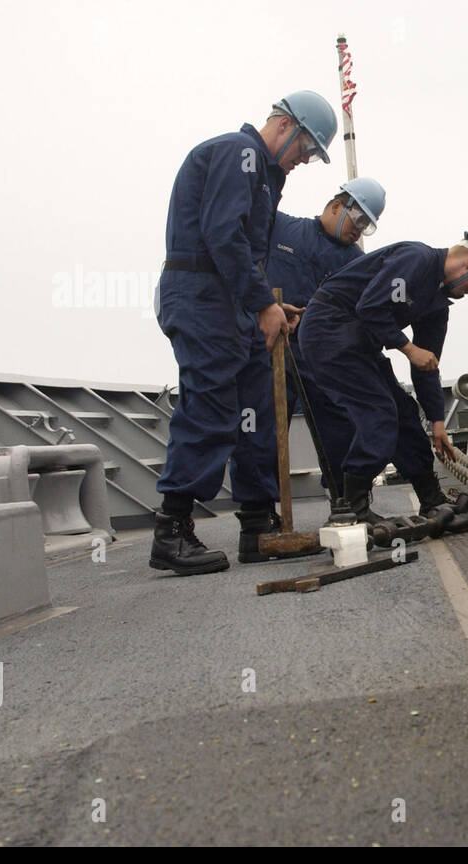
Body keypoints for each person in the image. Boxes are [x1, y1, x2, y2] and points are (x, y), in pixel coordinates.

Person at [150, 91, 337, 576]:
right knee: (211, 402)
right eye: (307, 148)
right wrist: (262, 303)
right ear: (285, 126)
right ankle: (172, 529)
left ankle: (257, 523)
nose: (305, 160)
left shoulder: (263, 174)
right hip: (201, 296)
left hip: (231, 302)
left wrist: (267, 305)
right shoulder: (240, 153)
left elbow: (245, 248)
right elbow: (223, 235)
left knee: (259, 405)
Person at [298, 230, 468, 525]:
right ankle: (352, 509)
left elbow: (427, 363)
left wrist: (437, 420)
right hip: (328, 331)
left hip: (360, 341)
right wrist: (409, 349)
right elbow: (370, 307)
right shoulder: (416, 259)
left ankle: (431, 499)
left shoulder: (437, 304)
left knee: (404, 415)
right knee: (379, 413)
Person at [266, 178, 387, 496]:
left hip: (322, 354)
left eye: (367, 226)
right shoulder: (280, 228)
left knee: (338, 423)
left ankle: (347, 501)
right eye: (358, 220)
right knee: (265, 425)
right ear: (336, 206)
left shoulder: (357, 262)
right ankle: (260, 511)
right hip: (272, 346)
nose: (359, 230)